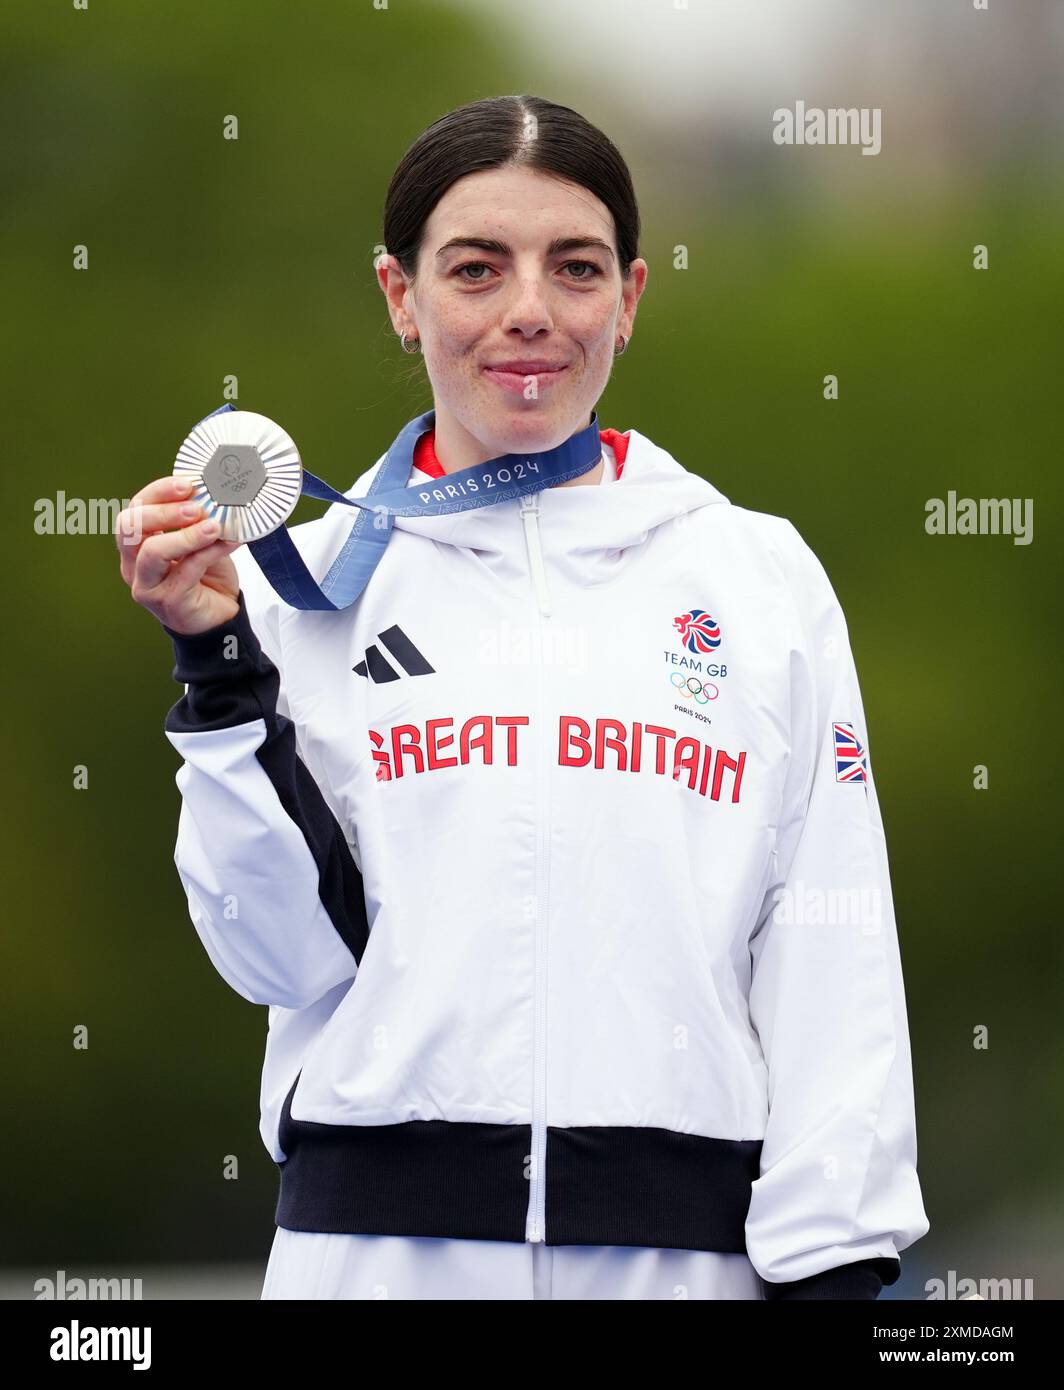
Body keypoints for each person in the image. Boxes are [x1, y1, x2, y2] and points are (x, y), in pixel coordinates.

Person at [115, 94, 930, 1301]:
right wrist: (216, 664)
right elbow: (276, 957)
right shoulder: (300, 591)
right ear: (401, 295)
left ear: (631, 298)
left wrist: (834, 1264)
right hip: (373, 1261)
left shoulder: (755, 576)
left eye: (575, 267)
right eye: (476, 269)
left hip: (681, 1264)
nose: (530, 312)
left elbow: (829, 941)